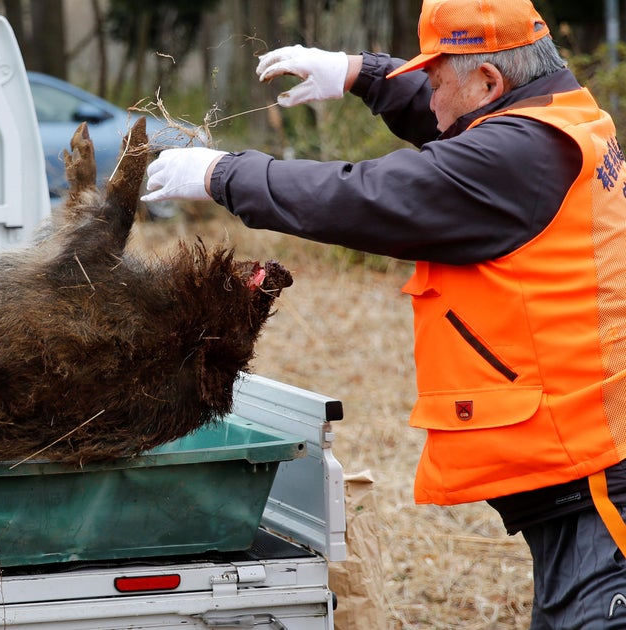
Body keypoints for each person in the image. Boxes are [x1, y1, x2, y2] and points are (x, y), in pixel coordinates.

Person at [144, 0, 626, 626]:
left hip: (591, 475)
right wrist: (359, 73)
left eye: (432, 77)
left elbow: (370, 195)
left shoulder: (519, 157)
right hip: (585, 457)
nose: (424, 93)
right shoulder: (559, 114)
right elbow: (454, 123)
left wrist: (225, 174)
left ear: (489, 83)